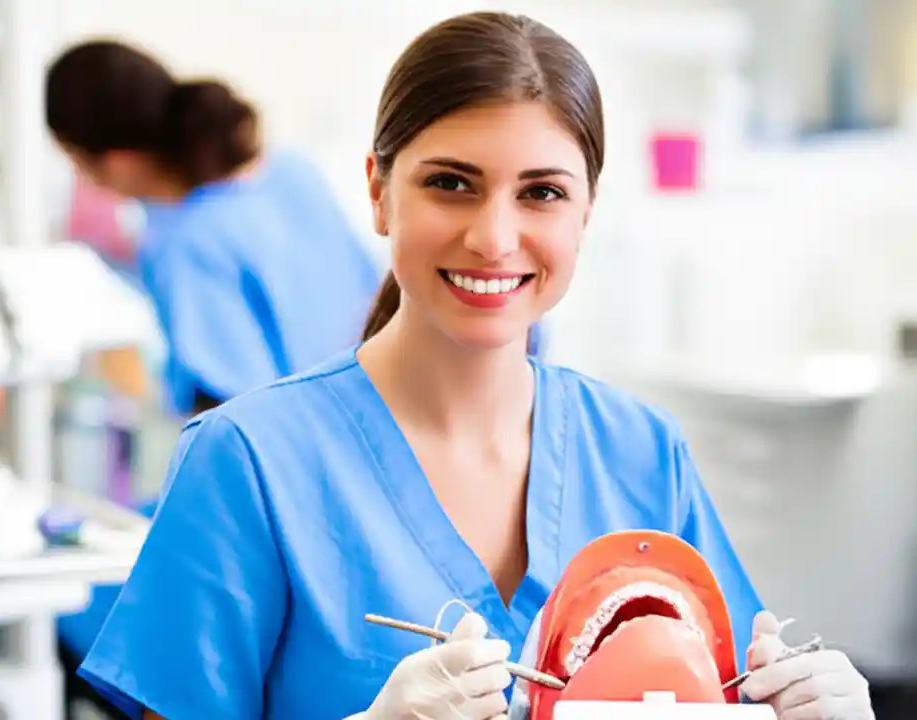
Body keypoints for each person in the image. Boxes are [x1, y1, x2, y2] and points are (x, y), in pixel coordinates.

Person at [77, 11, 875, 720]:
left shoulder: (640, 455)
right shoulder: (248, 464)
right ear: (380, 192)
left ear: (586, 213)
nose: (494, 238)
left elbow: (719, 696)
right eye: (452, 184)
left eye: (542, 193)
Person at [45, 39, 385, 418]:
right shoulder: (290, 170)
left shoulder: (186, 246)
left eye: (78, 164)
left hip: (302, 457)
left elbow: (229, 416)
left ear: (117, 162)